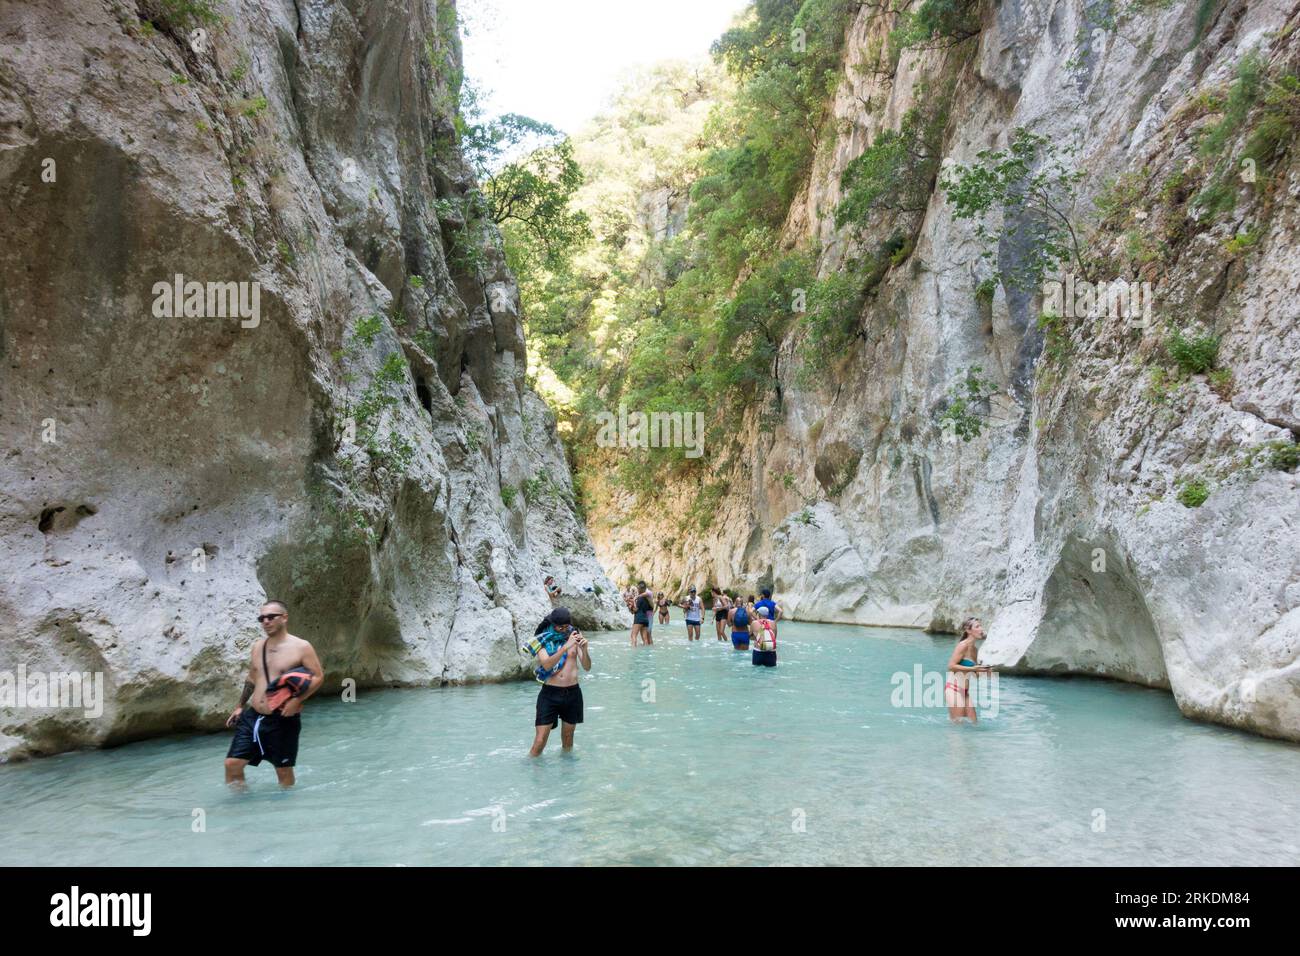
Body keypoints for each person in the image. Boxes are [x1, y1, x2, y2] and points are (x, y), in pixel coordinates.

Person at [224, 601, 325, 789]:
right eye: (262, 618)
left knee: (283, 771)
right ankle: (239, 810)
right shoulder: (257, 647)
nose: (266, 621)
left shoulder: (302, 647)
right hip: (253, 716)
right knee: (232, 764)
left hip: (282, 719)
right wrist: (240, 706)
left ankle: (285, 812)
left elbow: (318, 677)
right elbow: (252, 677)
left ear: (284, 618)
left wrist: (296, 700)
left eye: (271, 617)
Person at [524, 606, 591, 756]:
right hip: (550, 694)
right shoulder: (542, 639)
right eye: (560, 627)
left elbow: (586, 667)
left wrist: (585, 649)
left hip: (573, 694)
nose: (563, 630)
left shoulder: (575, 635)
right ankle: (530, 773)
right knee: (540, 741)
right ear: (553, 624)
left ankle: (566, 776)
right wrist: (565, 647)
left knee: (568, 740)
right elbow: (547, 665)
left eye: (566, 626)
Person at [945, 617, 993, 724]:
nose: (981, 629)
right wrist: (973, 668)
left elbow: (975, 675)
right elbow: (951, 666)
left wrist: (985, 671)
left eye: (980, 626)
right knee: (958, 726)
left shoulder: (975, 650)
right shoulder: (962, 646)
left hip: (965, 692)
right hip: (954, 689)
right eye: (977, 626)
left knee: (975, 723)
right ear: (968, 630)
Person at [631, 581, 654, 646]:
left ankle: (633, 651)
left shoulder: (641, 597)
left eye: (638, 588)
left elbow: (636, 610)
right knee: (645, 638)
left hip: (640, 618)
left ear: (640, 589)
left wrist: (632, 606)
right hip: (646, 618)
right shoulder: (647, 598)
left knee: (633, 635)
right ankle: (647, 652)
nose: (637, 590)